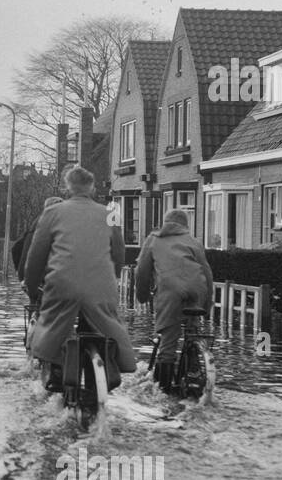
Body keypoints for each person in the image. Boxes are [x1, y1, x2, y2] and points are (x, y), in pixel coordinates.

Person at [22, 166, 137, 388]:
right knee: (107, 326)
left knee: (54, 325)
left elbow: (36, 256)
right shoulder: (110, 214)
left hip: (63, 284)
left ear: (68, 188)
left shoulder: (52, 213)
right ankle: (110, 367)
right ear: (92, 188)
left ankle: (56, 371)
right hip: (101, 285)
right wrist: (111, 278)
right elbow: (119, 250)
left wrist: (32, 286)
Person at [135, 209, 215, 393]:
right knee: (193, 330)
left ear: (165, 223)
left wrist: (142, 295)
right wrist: (207, 304)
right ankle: (194, 368)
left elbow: (142, 272)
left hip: (170, 292)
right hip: (197, 290)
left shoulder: (154, 240)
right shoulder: (194, 242)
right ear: (185, 226)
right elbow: (207, 273)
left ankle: (163, 393)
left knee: (168, 344)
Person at [12, 196, 62, 280]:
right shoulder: (47, 224)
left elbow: (16, 247)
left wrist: (19, 271)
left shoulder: (37, 222)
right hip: (44, 279)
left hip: (34, 279)